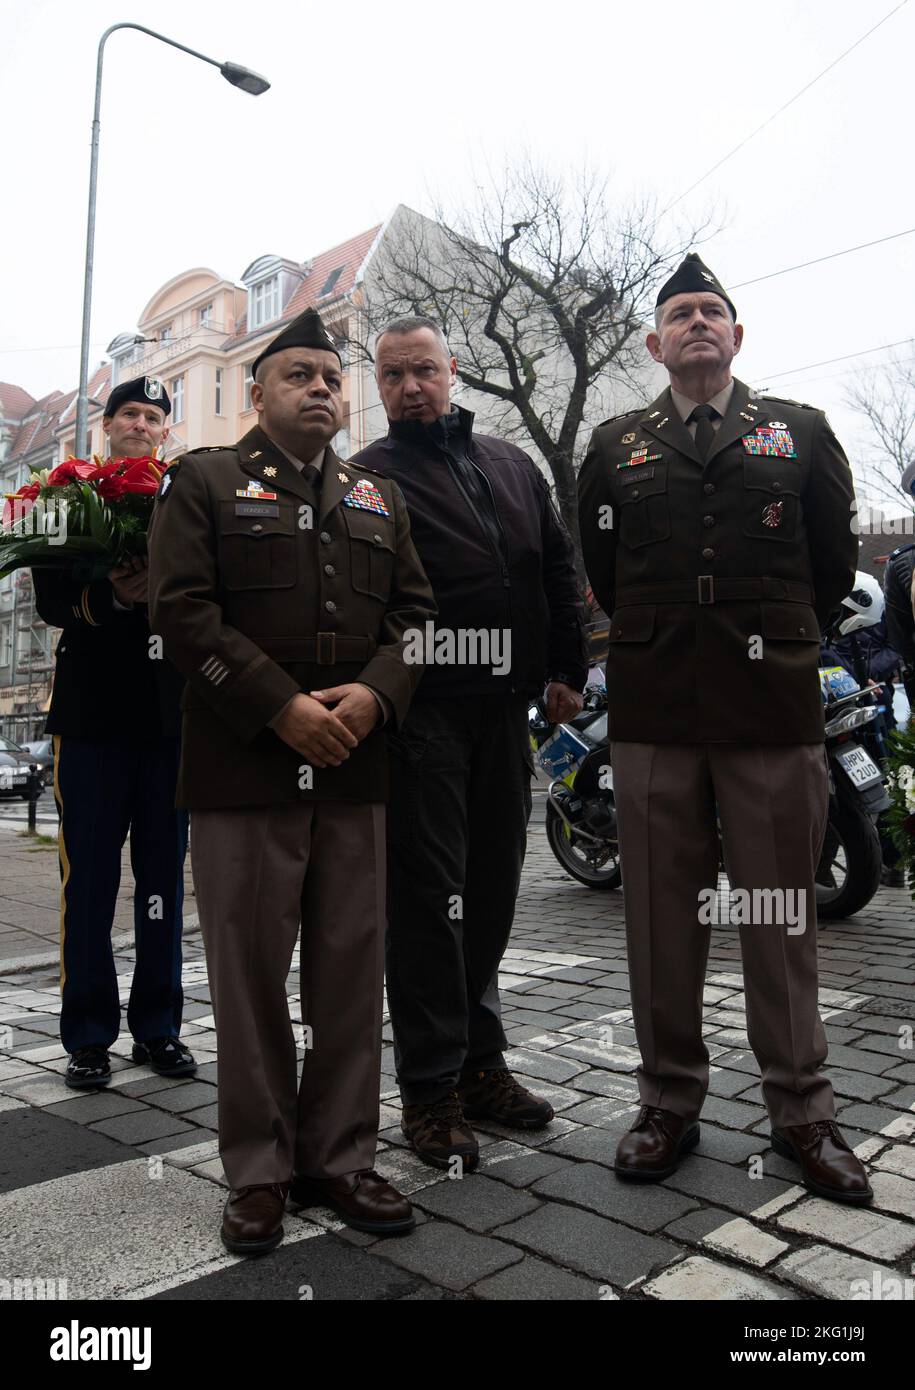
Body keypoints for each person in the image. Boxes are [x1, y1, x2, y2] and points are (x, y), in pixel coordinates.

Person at [578, 254, 873, 1205]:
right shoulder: (614, 444)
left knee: (777, 915)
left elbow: (830, 567)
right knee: (661, 914)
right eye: (679, 313)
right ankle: (666, 1101)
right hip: (657, 707)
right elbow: (604, 566)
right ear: (654, 342)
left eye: (712, 311)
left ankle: (802, 1110)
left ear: (736, 336)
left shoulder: (801, 431)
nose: (697, 323)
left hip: (769, 711)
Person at [148, 308, 437, 1255]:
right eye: (298, 374)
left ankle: (342, 1155)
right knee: (251, 980)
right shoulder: (203, 480)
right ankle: (260, 1171)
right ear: (260, 391)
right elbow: (184, 616)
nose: (320, 387)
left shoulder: (374, 497)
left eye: (328, 375)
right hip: (244, 772)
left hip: (356, 768)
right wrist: (279, 707)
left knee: (353, 973)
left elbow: (418, 619)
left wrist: (375, 699)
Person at [351, 316, 588, 1172]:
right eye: (391, 375)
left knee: (489, 894)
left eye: (423, 369)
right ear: (377, 387)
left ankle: (481, 1066)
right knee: (427, 906)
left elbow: (555, 568)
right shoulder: (365, 477)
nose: (410, 386)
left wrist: (569, 664)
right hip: (424, 716)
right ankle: (430, 1091)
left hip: (508, 713)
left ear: (454, 371)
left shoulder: (512, 466)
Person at [32, 375, 195, 1090]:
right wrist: (113, 595)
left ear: (165, 430)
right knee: (89, 884)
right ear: (108, 426)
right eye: (129, 412)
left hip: (168, 722)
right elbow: (51, 601)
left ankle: (158, 1028)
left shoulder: (189, 497)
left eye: (153, 415)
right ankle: (89, 1035)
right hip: (92, 721)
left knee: (163, 882)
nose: (140, 423)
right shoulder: (70, 499)